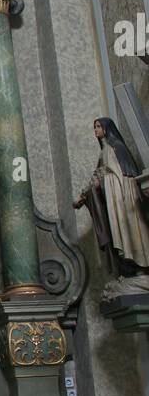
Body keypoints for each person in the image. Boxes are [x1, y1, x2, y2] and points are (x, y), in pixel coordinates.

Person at [74, 117, 149, 278]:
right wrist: (85, 194)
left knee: (129, 230)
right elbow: (99, 174)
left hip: (122, 197)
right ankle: (129, 268)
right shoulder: (106, 150)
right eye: (95, 127)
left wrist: (93, 187)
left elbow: (113, 174)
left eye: (98, 127)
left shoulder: (115, 148)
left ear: (107, 129)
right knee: (119, 231)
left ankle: (139, 265)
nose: (96, 130)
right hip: (113, 197)